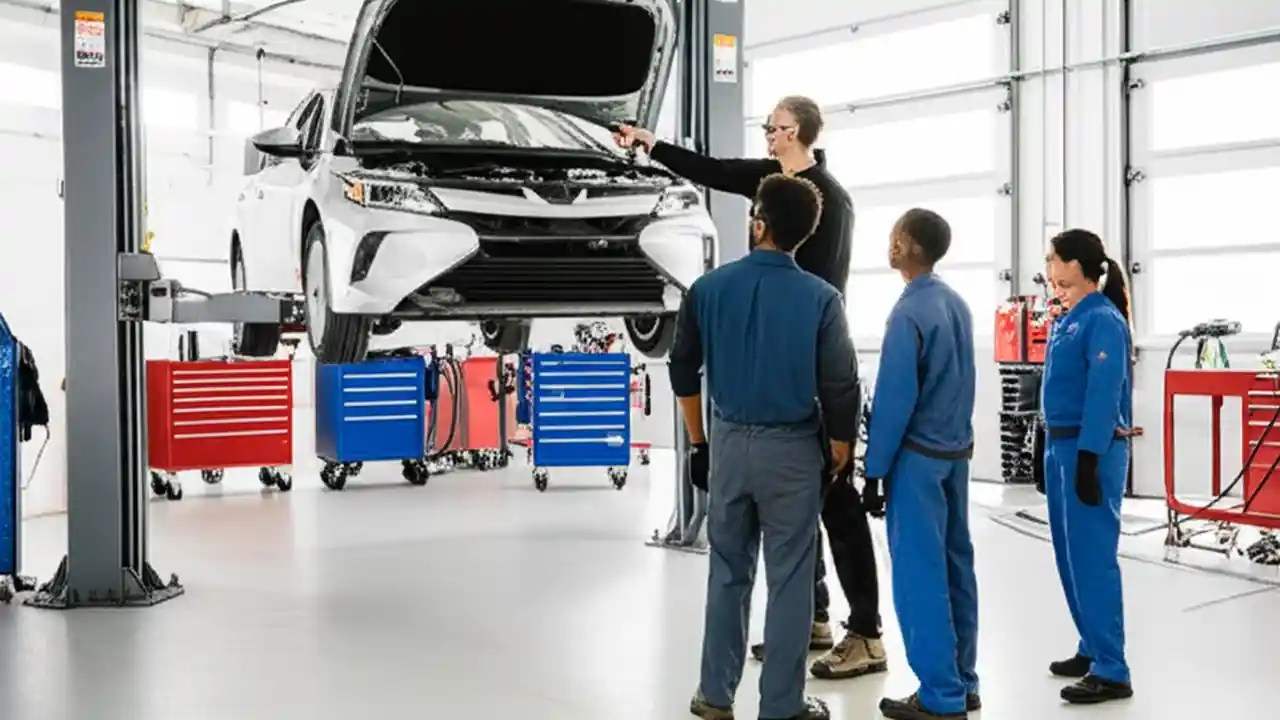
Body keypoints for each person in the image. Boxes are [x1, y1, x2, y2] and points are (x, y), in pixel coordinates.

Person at [617, 95, 887, 681]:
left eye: (776, 128)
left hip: (807, 370)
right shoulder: (768, 182)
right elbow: (712, 169)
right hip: (773, 375)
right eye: (766, 127)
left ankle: (865, 630)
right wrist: (650, 142)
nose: (768, 135)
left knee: (838, 505)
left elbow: (826, 292)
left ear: (802, 133)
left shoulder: (830, 200)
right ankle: (811, 618)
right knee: (799, 515)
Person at [670, 173, 861, 720]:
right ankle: (781, 705)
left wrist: (699, 442)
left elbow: (683, 367)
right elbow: (839, 383)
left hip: (728, 445)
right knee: (792, 578)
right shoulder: (822, 298)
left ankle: (714, 695)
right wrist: (842, 446)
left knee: (728, 570)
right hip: (794, 452)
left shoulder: (707, 290)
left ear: (759, 223)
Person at [862, 209, 981, 720]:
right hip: (955, 454)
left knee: (919, 576)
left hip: (916, 460)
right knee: (957, 567)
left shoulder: (908, 314)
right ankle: (965, 680)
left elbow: (893, 400)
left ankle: (939, 695)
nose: (890, 244)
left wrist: (873, 470)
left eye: (896, 238)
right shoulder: (956, 304)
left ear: (909, 246)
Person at [1040, 229, 1135, 705]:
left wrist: (1090, 457)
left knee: (1092, 558)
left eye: (1053, 259)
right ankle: (1091, 646)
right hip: (1061, 445)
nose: (1049, 267)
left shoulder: (1102, 319)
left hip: (1088, 449)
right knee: (1069, 555)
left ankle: (1112, 668)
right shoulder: (1070, 316)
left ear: (1076, 265)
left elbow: (1103, 393)